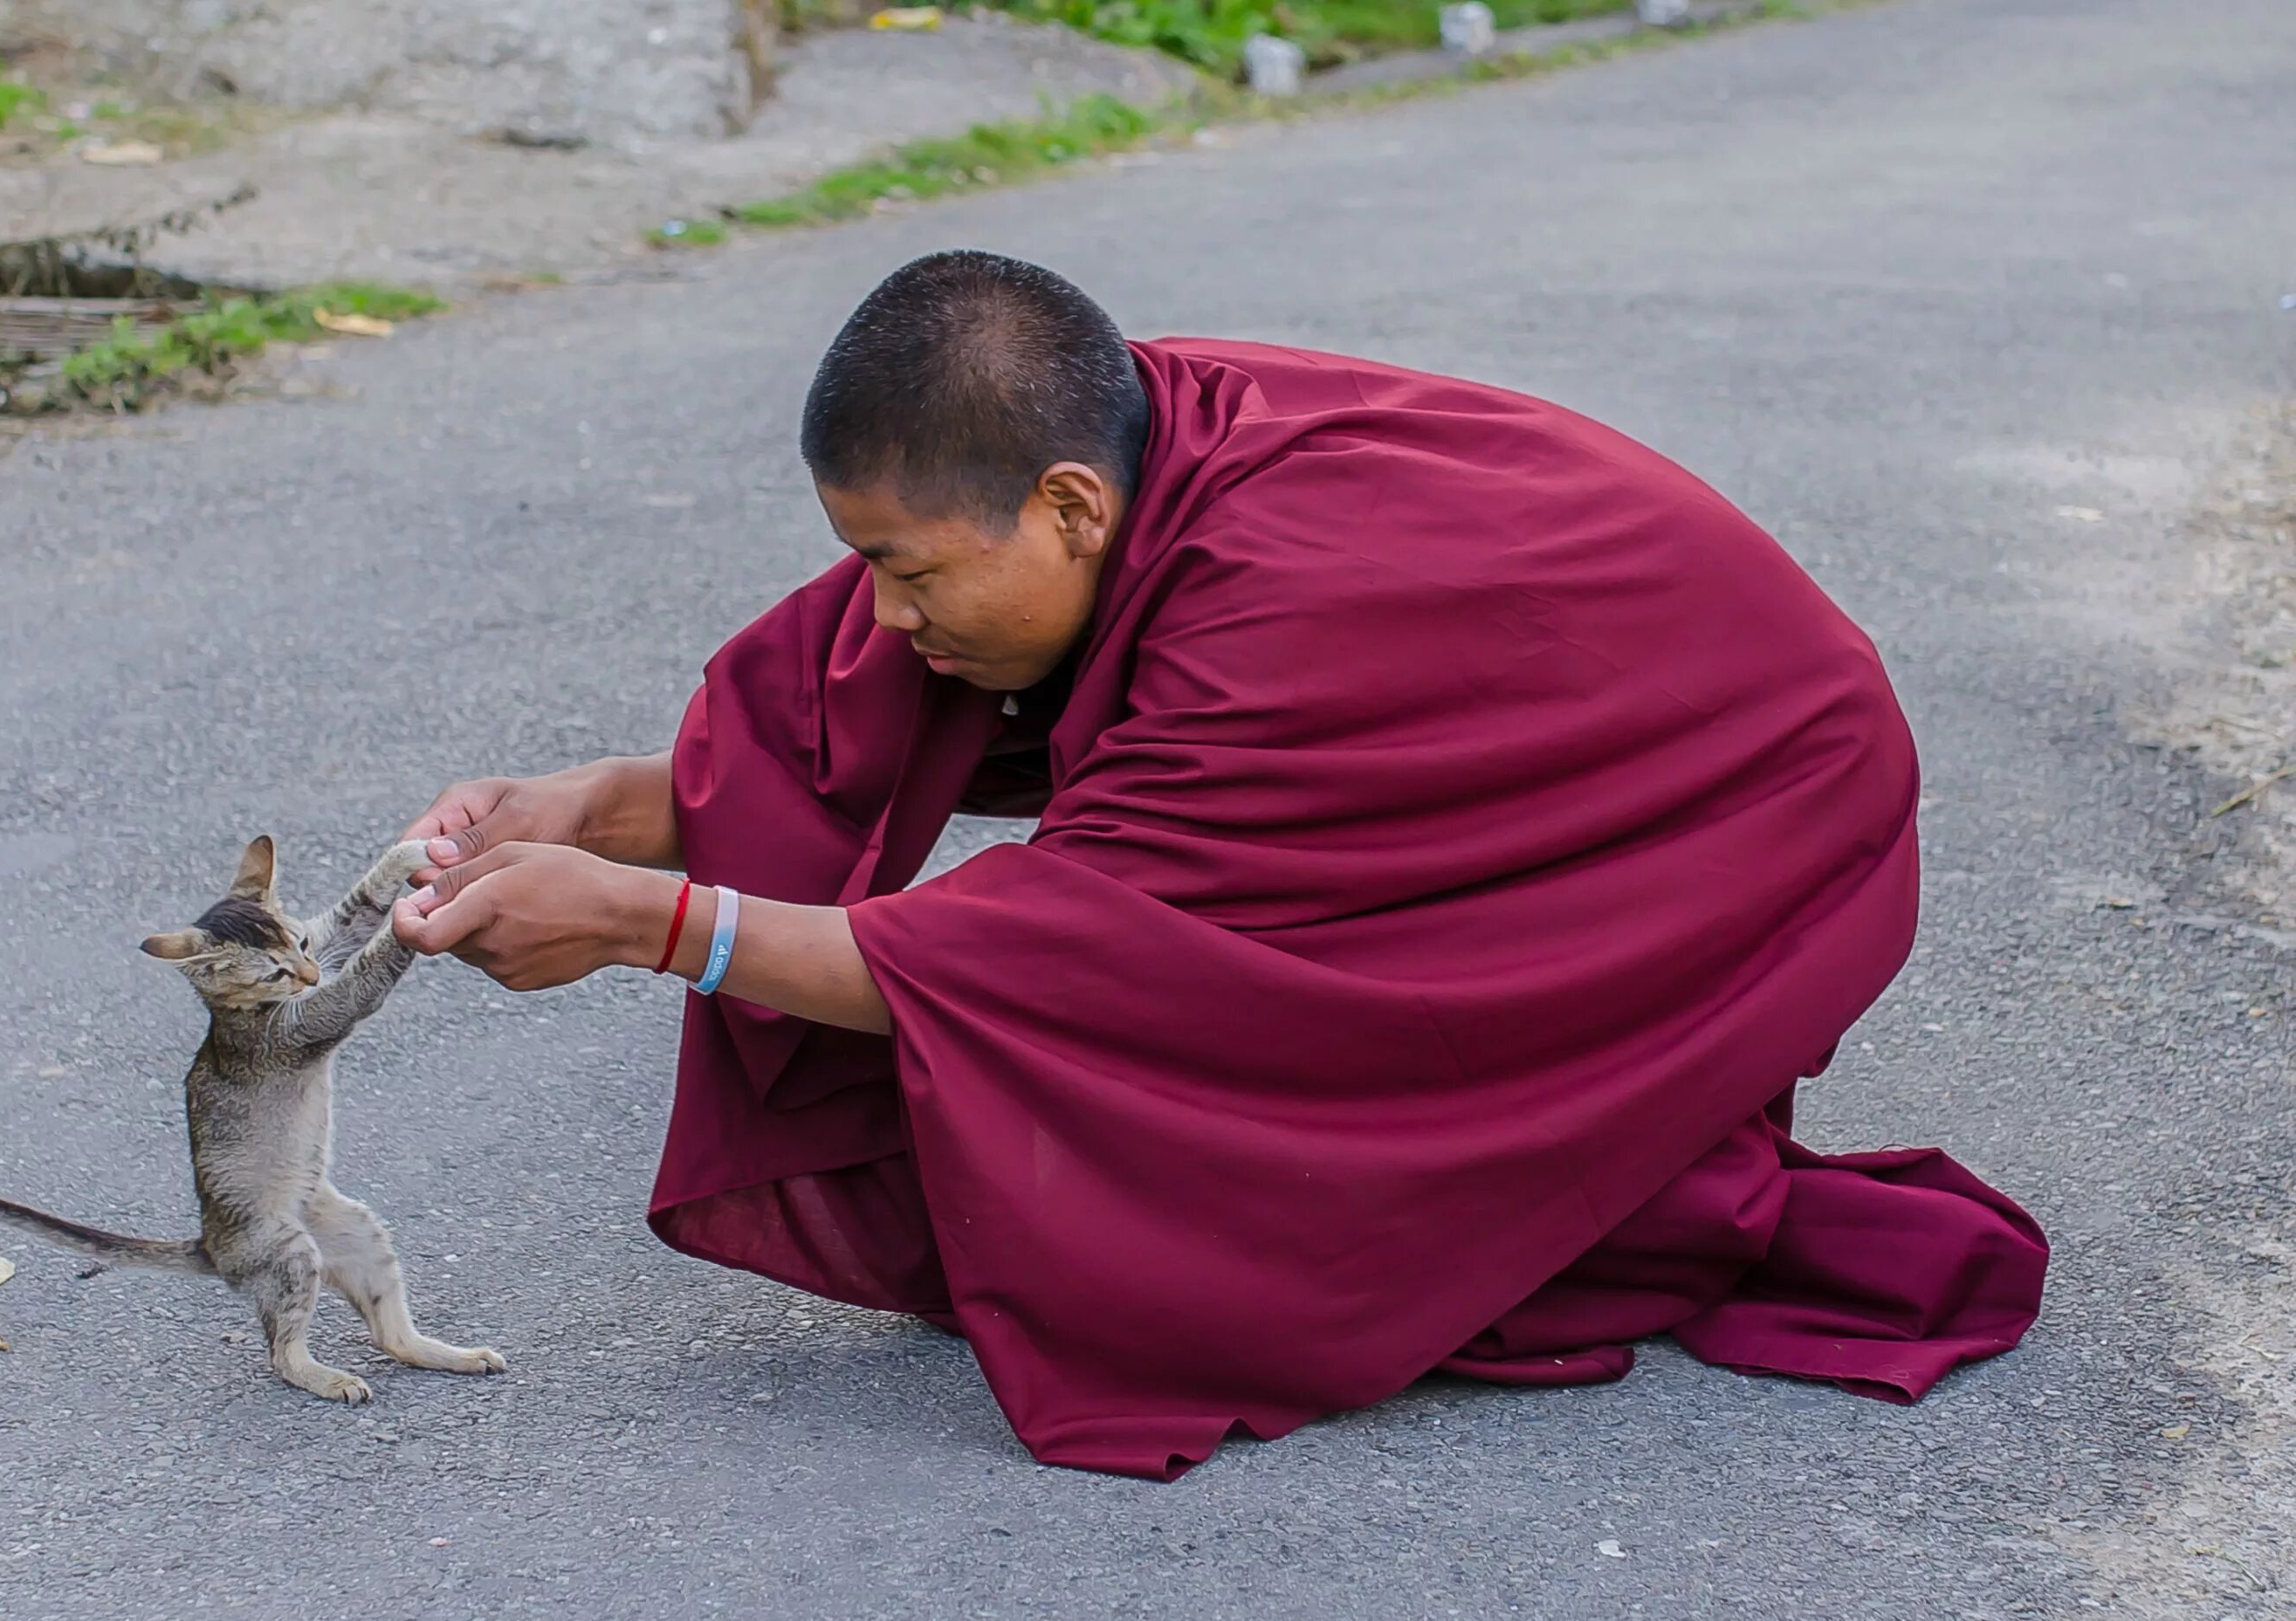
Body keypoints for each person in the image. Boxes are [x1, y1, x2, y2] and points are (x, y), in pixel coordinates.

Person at [390, 249, 2048, 1481]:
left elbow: (1068, 952)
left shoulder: (1278, 602)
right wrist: (606, 805)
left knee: (1259, 1166)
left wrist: (652, 924)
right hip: (1588, 703)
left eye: (902, 569)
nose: (884, 617)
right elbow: (844, 706)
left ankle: (1578, 1164)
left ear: (1067, 505)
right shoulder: (1114, 441)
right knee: (1051, 1143)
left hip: (1747, 791)